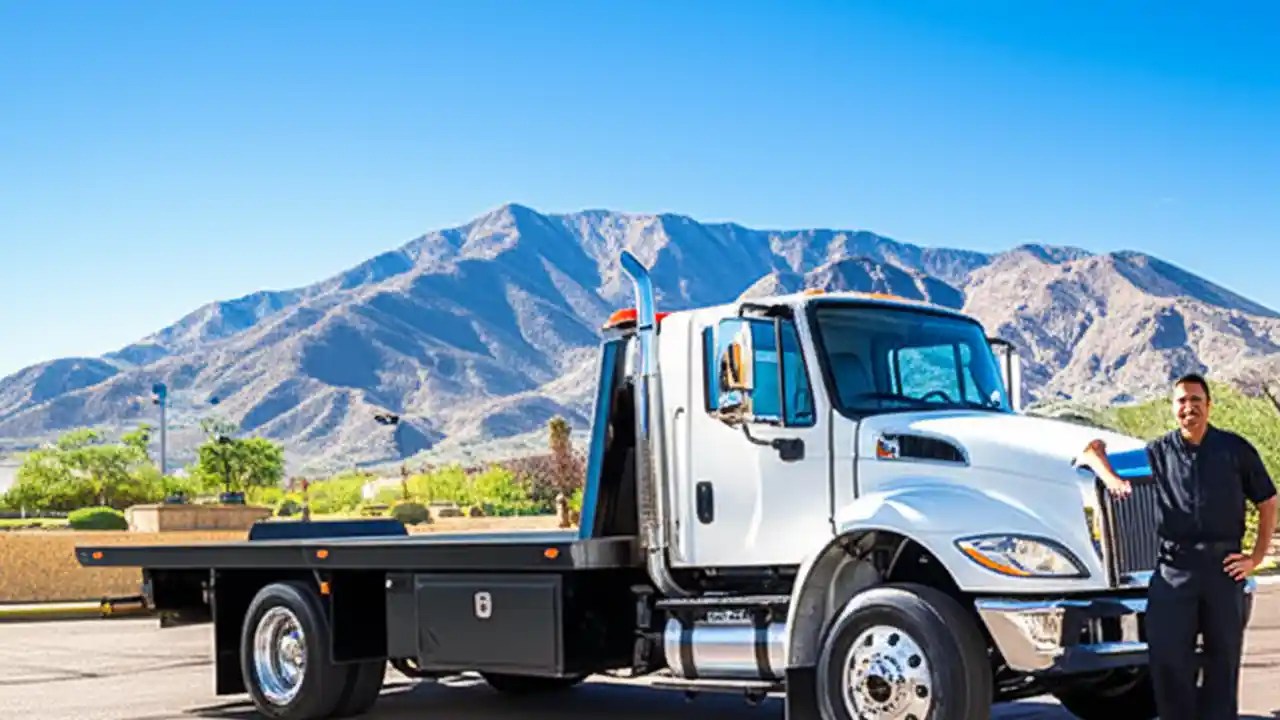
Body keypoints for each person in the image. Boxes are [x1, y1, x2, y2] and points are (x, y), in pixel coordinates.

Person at [1077, 372, 1277, 720]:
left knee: (1223, 662)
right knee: (1169, 660)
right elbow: (1091, 452)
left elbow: (1268, 500)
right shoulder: (1157, 451)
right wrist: (1111, 479)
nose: (1189, 408)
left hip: (1224, 570)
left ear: (1209, 406)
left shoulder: (1235, 449)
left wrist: (1256, 557)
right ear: (1173, 408)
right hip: (1174, 571)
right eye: (1182, 401)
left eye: (1196, 401)